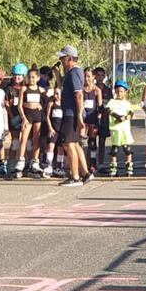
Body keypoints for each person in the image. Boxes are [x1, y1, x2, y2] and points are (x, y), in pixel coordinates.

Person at [55, 46, 91, 186]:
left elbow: (79, 94)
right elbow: (63, 89)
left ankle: (75, 176)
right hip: (69, 112)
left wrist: (79, 115)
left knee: (69, 144)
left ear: (70, 58)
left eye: (63, 58)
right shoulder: (70, 73)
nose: (61, 61)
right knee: (75, 144)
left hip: (72, 113)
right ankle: (86, 173)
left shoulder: (75, 72)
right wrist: (58, 75)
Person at [11, 63, 43, 179]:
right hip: (27, 116)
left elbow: (52, 95)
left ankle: (35, 161)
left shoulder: (40, 89)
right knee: (23, 139)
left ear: (38, 78)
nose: (31, 79)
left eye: (33, 77)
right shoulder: (24, 88)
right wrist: (23, 118)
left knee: (36, 139)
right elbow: (19, 106)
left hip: (37, 116)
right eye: (29, 77)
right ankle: (20, 160)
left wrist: (41, 105)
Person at [106, 80, 136, 176]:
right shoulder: (112, 101)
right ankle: (114, 167)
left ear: (125, 92)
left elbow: (131, 113)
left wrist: (126, 117)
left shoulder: (127, 103)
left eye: (122, 91)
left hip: (125, 129)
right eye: (118, 91)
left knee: (127, 148)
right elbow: (108, 110)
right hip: (115, 128)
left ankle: (129, 166)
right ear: (115, 91)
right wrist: (117, 117)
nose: (119, 93)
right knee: (114, 149)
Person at [81, 67, 103, 171]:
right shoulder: (81, 89)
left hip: (93, 118)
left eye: (89, 76)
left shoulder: (96, 90)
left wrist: (98, 121)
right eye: (85, 76)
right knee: (81, 142)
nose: (86, 79)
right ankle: (82, 163)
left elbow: (100, 107)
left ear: (93, 77)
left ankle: (93, 164)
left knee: (92, 143)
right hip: (83, 118)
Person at [92, 66, 113, 172]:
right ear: (94, 76)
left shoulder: (108, 90)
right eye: (98, 75)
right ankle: (91, 163)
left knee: (102, 142)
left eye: (102, 75)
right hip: (93, 118)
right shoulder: (92, 88)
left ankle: (101, 164)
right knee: (92, 142)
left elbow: (111, 104)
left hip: (104, 119)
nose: (100, 77)